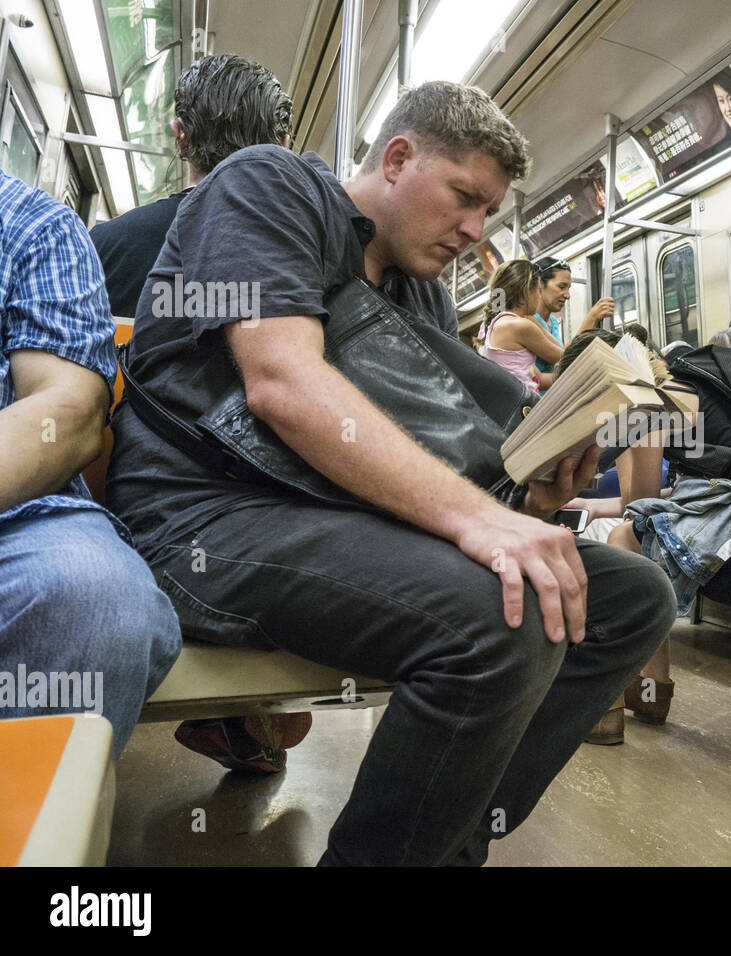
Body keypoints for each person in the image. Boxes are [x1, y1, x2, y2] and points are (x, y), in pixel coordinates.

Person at [106, 80, 675, 865]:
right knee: (496, 620)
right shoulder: (270, 186)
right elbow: (281, 383)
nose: (476, 232)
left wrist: (525, 492)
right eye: (465, 197)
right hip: (205, 515)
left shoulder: (422, 295)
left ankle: (445, 844)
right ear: (399, 158)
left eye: (490, 214)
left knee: (631, 597)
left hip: (333, 520)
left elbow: (417, 465)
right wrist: (480, 521)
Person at [91, 52, 311, 776]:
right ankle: (244, 720)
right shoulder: (301, 256)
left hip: (124, 498)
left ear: (179, 136)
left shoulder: (105, 248)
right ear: (278, 145)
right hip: (266, 513)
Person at [559, 327, 731, 742]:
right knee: (635, 535)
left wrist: (621, 441)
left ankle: (612, 702)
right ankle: (651, 693)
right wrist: (595, 506)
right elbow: (677, 494)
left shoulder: (649, 404)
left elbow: (642, 501)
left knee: (626, 543)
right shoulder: (688, 382)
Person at [0, 167, 181, 757]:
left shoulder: (48, 230)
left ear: (181, 135)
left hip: (25, 505)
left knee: (100, 598)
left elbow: (71, 414)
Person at [531, 256, 614, 388]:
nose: (567, 295)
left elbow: (562, 352)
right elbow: (562, 359)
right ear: (540, 284)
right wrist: (591, 319)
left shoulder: (552, 321)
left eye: (568, 288)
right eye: (561, 287)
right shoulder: (530, 320)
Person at [478, 258, 558, 395]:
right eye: (539, 290)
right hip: (523, 408)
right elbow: (562, 356)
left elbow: (540, 379)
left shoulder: (487, 327)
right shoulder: (518, 325)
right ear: (527, 290)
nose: (540, 297)